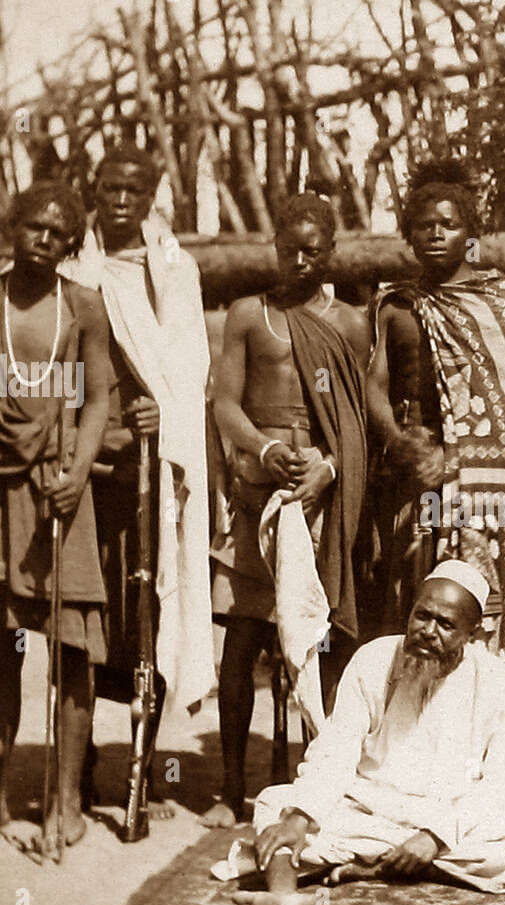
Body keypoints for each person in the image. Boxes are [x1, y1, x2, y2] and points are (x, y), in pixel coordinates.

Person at [231, 560, 505, 905]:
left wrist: (435, 837)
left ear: (471, 633)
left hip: (453, 821)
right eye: (422, 616)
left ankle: (374, 866)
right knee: (277, 806)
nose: (428, 631)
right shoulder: (373, 659)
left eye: (446, 624)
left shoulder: (501, 682)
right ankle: (286, 898)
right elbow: (337, 749)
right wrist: (300, 815)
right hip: (369, 809)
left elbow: (504, 784)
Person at [0, 181, 112, 850]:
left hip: (61, 487)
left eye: (61, 233)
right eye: (36, 226)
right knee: (1, 643)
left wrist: (81, 469)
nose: (47, 238)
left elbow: (97, 399)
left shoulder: (85, 306)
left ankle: (65, 801)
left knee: (70, 648)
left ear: (72, 244)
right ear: (12, 227)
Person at [59, 143, 215, 825]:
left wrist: (165, 410)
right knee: (83, 616)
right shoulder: (71, 271)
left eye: (134, 188)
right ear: (93, 191)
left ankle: (141, 769)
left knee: (144, 613)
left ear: (152, 195)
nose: (121, 199)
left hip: (151, 466)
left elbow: (188, 369)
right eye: (109, 187)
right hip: (90, 465)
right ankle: (78, 760)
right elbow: (58, 364)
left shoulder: (175, 272)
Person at [207, 192, 370, 827]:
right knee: (244, 638)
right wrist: (266, 448)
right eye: (289, 248)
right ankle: (227, 786)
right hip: (258, 495)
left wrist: (327, 467)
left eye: (315, 250)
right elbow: (225, 404)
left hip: (323, 498)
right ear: (273, 247)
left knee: (321, 639)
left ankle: (319, 778)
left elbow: (355, 421)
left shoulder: (351, 323)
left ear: (333, 253)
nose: (301, 261)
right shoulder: (249, 315)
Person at [363, 160, 505, 658]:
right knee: (408, 587)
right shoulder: (396, 306)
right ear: (409, 235)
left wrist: (456, 458)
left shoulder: (497, 300)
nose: (436, 235)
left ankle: (468, 716)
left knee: (466, 594)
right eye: (424, 226)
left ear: (469, 234)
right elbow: (373, 384)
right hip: (410, 467)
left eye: (448, 225)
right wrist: (398, 441)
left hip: (477, 480)